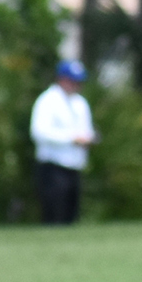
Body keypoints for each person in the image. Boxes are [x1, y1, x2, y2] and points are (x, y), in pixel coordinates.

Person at [29, 60, 96, 224]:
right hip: (53, 167)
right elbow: (39, 132)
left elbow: (86, 129)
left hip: (75, 166)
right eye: (73, 81)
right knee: (54, 215)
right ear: (62, 79)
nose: (76, 85)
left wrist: (89, 138)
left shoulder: (80, 103)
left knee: (71, 215)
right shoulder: (47, 101)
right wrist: (71, 139)